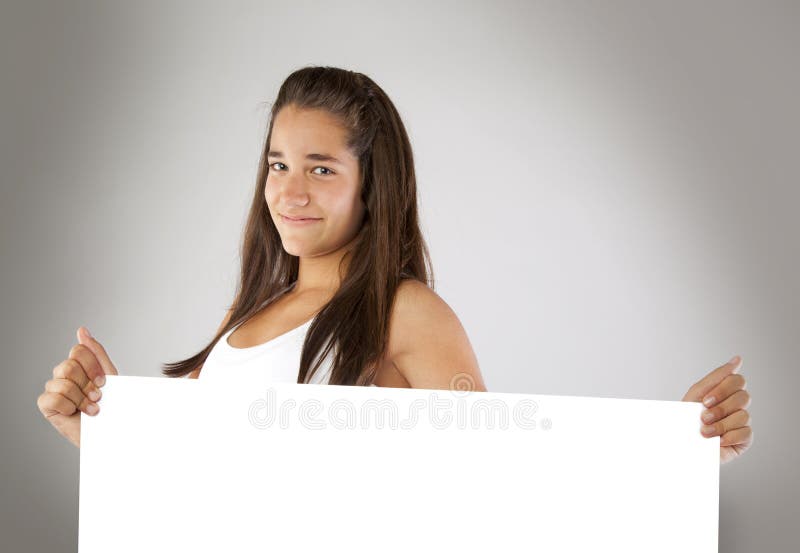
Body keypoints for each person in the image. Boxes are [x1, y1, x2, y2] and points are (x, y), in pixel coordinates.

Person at [36, 66, 752, 465]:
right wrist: (94, 426)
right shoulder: (243, 319)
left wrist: (675, 459)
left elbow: (501, 476)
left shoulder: (407, 313)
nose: (289, 189)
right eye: (279, 164)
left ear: (371, 186)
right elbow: (185, 471)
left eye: (320, 169)